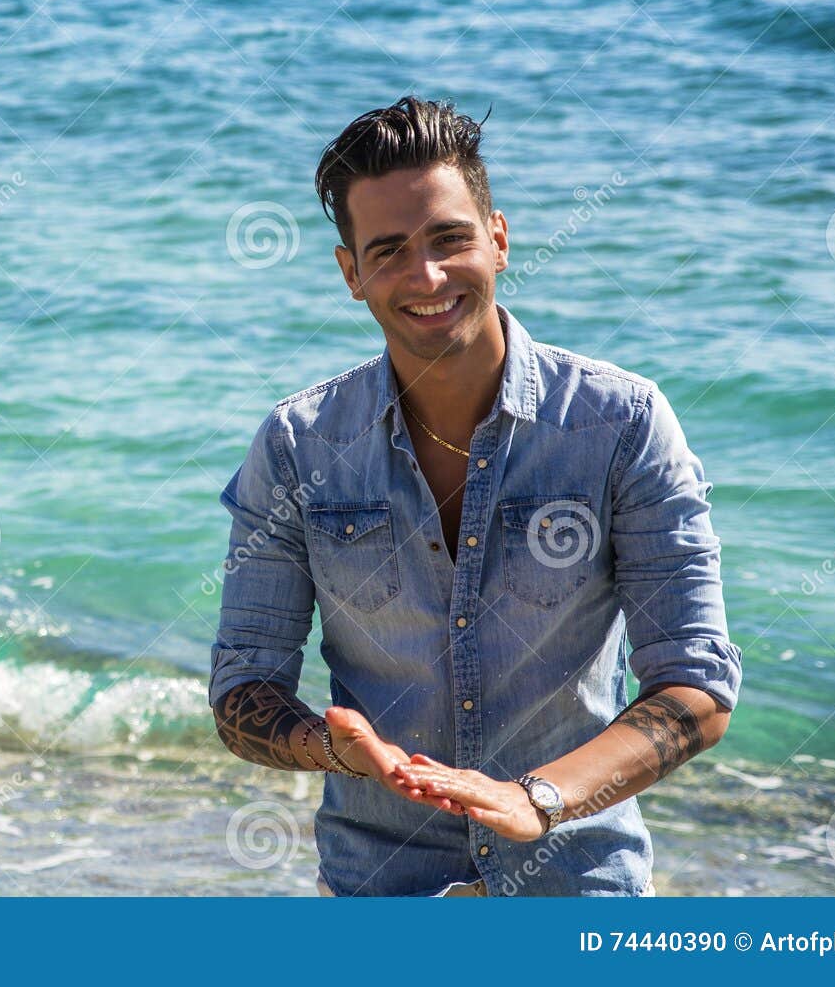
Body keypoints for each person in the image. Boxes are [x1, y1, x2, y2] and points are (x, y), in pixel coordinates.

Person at [208, 96, 742, 896]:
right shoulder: (298, 446)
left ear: (498, 238)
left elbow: (697, 689)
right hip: (378, 889)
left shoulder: (621, 424)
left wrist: (539, 798)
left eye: (450, 238)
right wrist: (332, 747)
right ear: (351, 273)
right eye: (388, 250)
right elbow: (242, 691)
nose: (426, 275)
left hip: (577, 887)